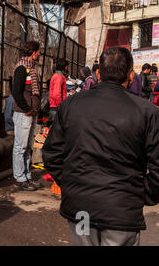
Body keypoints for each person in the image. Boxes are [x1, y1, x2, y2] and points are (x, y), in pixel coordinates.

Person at [42, 46, 158, 246]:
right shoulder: (146, 111)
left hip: (82, 208)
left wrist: (71, 185)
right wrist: (141, 194)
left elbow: (52, 154)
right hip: (121, 212)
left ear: (98, 73)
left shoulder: (70, 105)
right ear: (131, 75)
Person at [11, 40, 42, 191]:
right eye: (38, 51)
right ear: (33, 52)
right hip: (24, 113)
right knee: (20, 146)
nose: (40, 54)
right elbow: (16, 92)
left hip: (31, 113)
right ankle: (20, 177)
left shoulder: (31, 68)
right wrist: (26, 109)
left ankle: (27, 175)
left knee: (28, 146)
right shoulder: (22, 68)